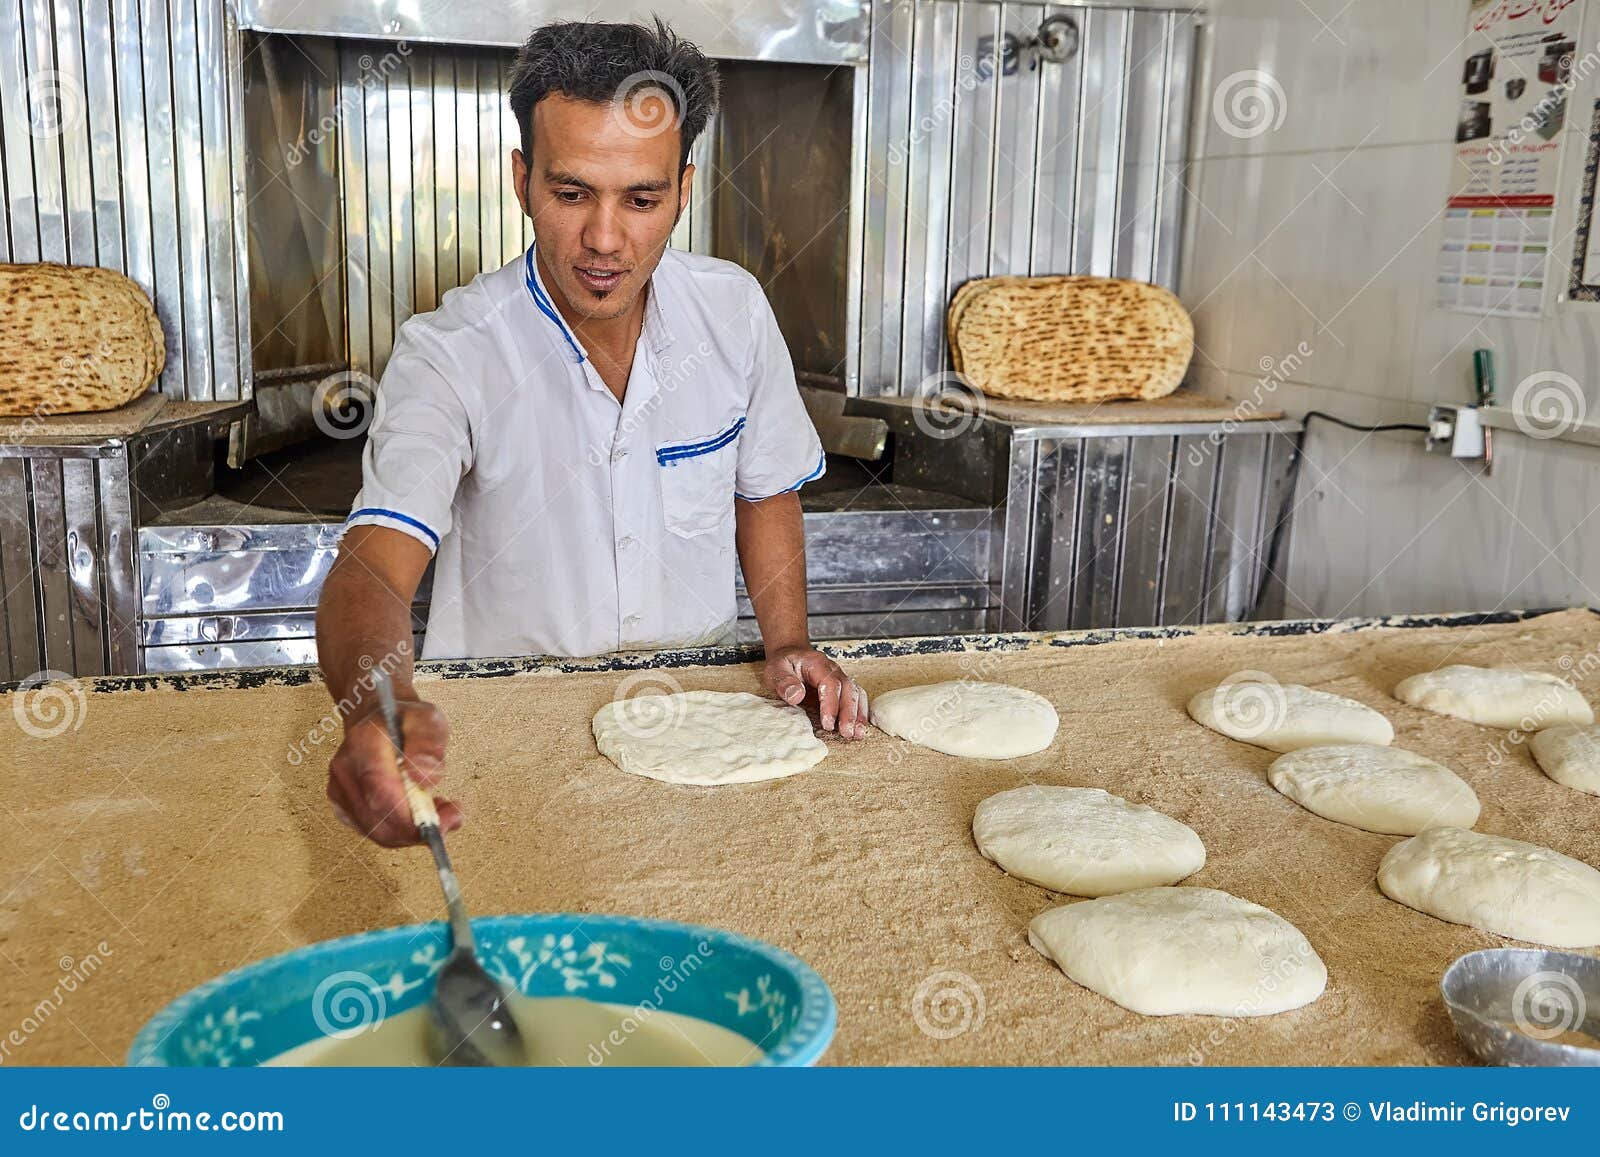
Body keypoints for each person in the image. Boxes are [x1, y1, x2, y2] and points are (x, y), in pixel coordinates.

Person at [316, 19, 868, 847]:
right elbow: (375, 565)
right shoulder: (453, 353)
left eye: (641, 200)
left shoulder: (734, 314)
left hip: (708, 729)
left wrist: (788, 643)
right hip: (511, 743)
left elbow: (765, 491)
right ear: (521, 180)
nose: (605, 239)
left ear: (683, 190)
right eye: (571, 193)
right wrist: (379, 707)